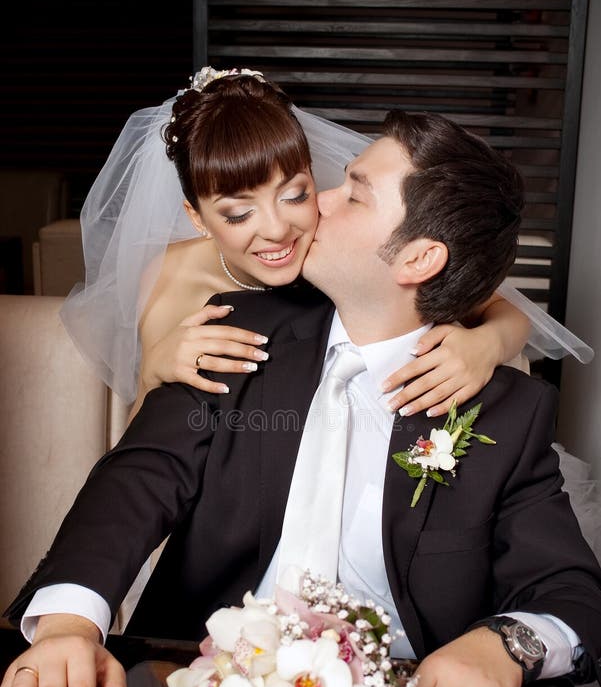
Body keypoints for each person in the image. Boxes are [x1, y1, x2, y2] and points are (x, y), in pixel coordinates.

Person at [2, 104, 600, 687]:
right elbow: (139, 479)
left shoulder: (503, 411)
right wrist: (66, 622)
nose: (316, 201)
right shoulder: (232, 332)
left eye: (353, 192)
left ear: (418, 256)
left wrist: (503, 646)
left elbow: (570, 590)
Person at [60, 68, 593, 422]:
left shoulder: (339, 253)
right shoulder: (171, 280)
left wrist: (487, 345)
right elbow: (143, 454)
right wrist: (157, 370)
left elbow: (506, 307)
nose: (277, 229)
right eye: (239, 213)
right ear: (197, 220)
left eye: (296, 194)